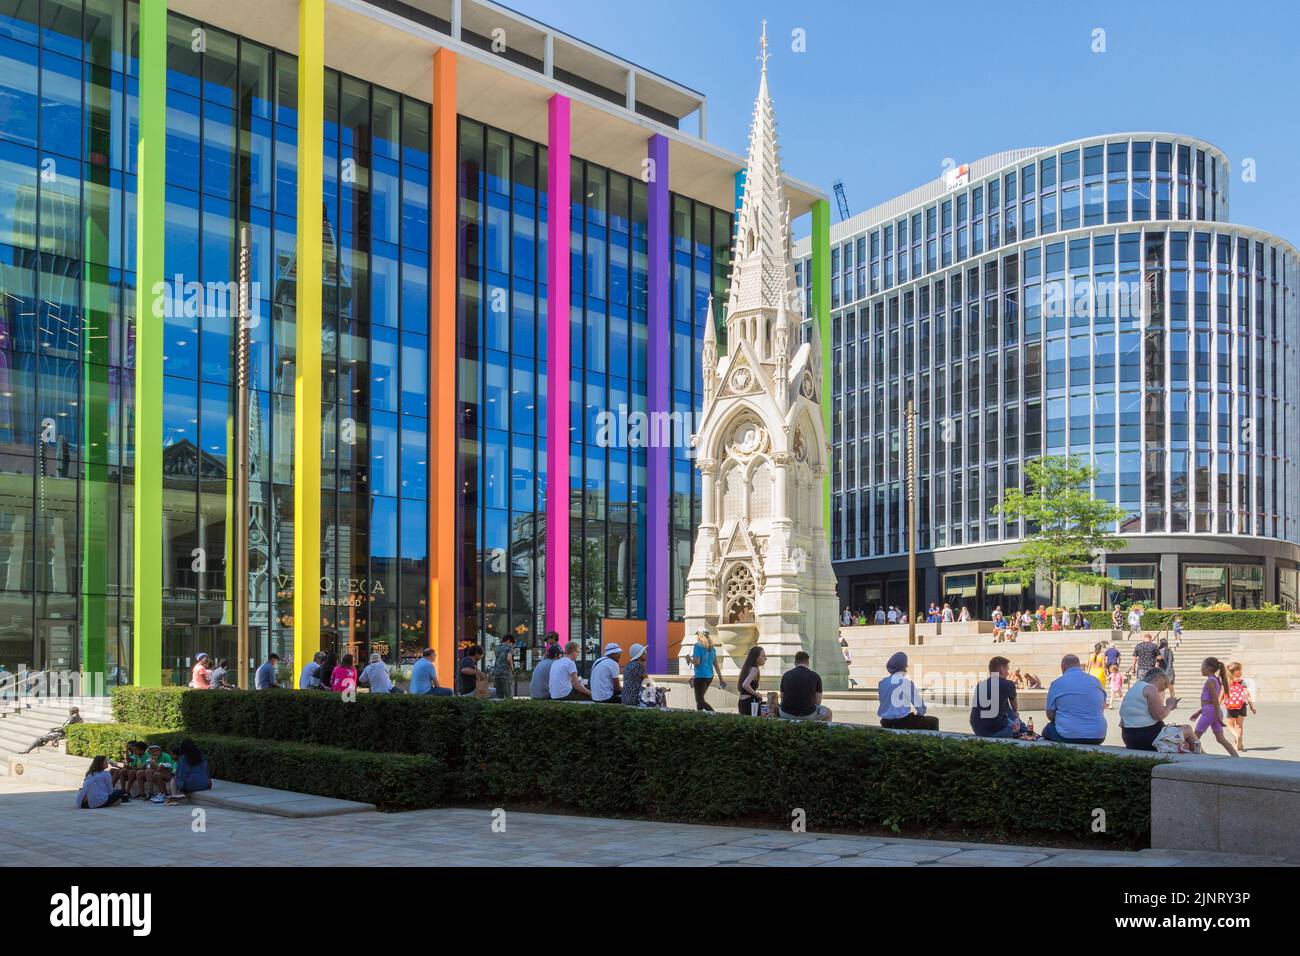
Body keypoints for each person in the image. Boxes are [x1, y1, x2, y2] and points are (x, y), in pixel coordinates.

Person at [1042, 654, 1108, 745]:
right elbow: (1102, 707)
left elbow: (1050, 714)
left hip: (1067, 735)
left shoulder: (1057, 683)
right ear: (1079, 666)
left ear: (1063, 667)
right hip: (1098, 735)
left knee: (1048, 729)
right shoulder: (1096, 681)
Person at [1119, 669, 1179, 751]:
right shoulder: (1150, 688)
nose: (1163, 689)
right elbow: (1159, 715)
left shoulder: (1135, 687)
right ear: (1157, 678)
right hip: (1148, 736)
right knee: (1187, 730)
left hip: (1129, 737)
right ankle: (1200, 757)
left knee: (1183, 738)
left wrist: (1168, 708)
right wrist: (1169, 705)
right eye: (1164, 684)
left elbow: (1145, 712)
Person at [877, 651, 938, 730]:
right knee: (934, 721)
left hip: (885, 722)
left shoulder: (882, 683)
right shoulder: (906, 683)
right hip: (902, 722)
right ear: (904, 666)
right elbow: (920, 707)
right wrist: (919, 715)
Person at [1194, 657, 1239, 757]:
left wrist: (1217, 713)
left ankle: (1199, 755)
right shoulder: (1215, 680)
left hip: (1210, 713)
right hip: (1211, 711)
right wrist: (1199, 712)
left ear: (1208, 668)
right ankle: (1235, 756)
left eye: (1202, 666)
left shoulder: (1210, 681)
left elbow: (1214, 699)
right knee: (1220, 739)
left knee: (1194, 737)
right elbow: (1210, 701)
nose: (1201, 669)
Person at [969, 656, 1023, 738]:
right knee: (1017, 724)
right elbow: (1015, 707)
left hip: (978, 729)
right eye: (1007, 669)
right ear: (1001, 670)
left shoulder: (980, 685)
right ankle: (1027, 730)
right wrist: (1017, 718)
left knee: (1007, 708)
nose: (1008, 673)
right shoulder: (1008, 684)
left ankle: (1024, 728)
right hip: (997, 730)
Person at [778, 650, 831, 721]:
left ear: (795, 662)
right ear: (808, 662)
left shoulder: (786, 675)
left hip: (786, 713)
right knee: (828, 713)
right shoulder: (815, 676)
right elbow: (818, 702)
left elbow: (782, 698)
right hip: (808, 714)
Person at [164, 739, 212, 804]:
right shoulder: (202, 756)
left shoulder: (183, 759)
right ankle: (181, 794)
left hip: (190, 785)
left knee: (174, 780)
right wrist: (208, 781)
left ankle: (175, 797)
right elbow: (207, 771)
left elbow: (180, 774)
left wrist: (181, 788)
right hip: (204, 784)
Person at [689, 630, 726, 711]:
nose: (696, 637)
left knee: (700, 701)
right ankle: (700, 719)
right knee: (700, 700)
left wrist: (689, 660)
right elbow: (716, 665)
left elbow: (697, 662)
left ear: (700, 635)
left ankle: (713, 715)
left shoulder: (697, 646)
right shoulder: (712, 648)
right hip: (709, 676)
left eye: (697, 635)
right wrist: (721, 679)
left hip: (700, 676)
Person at [1224, 662, 1256, 753]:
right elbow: (1247, 694)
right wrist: (1251, 706)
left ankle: (1236, 738)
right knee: (1239, 725)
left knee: (1229, 725)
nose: (1240, 671)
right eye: (1239, 670)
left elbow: (1223, 694)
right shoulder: (1241, 681)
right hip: (1242, 705)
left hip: (1231, 705)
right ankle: (1238, 745)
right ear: (1236, 671)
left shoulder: (1227, 681)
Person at [736, 646, 766, 716]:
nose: (766, 658)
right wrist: (756, 694)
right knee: (771, 709)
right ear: (756, 658)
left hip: (742, 703)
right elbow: (745, 685)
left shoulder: (748, 668)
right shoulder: (754, 669)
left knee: (766, 706)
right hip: (749, 705)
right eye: (763, 656)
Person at [489, 635, 517, 700]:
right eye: (512, 643)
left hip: (496, 673)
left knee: (498, 695)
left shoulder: (497, 647)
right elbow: (509, 659)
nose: (512, 645)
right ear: (509, 640)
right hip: (505, 674)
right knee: (508, 694)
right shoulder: (509, 648)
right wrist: (512, 669)